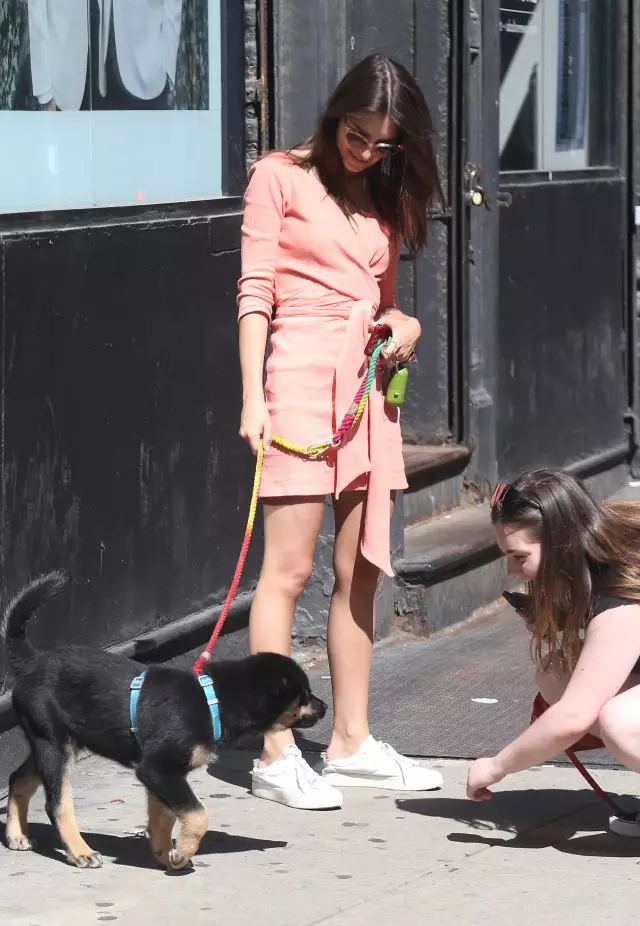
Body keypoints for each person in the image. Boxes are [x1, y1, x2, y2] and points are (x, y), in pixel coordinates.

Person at [236, 53, 445, 810]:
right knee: (286, 573)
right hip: (296, 381)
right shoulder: (279, 177)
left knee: (362, 570)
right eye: (356, 135)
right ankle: (275, 748)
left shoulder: (380, 198)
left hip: (364, 393)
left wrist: (405, 322)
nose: (364, 152)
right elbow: (255, 291)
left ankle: (352, 741)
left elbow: (384, 300)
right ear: (334, 115)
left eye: (382, 145)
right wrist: (252, 399)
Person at [467, 470, 640, 836]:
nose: (513, 570)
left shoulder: (621, 598)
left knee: (619, 721)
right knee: (556, 673)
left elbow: (574, 717)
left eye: (519, 556)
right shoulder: (605, 561)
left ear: (561, 543)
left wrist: (497, 766)